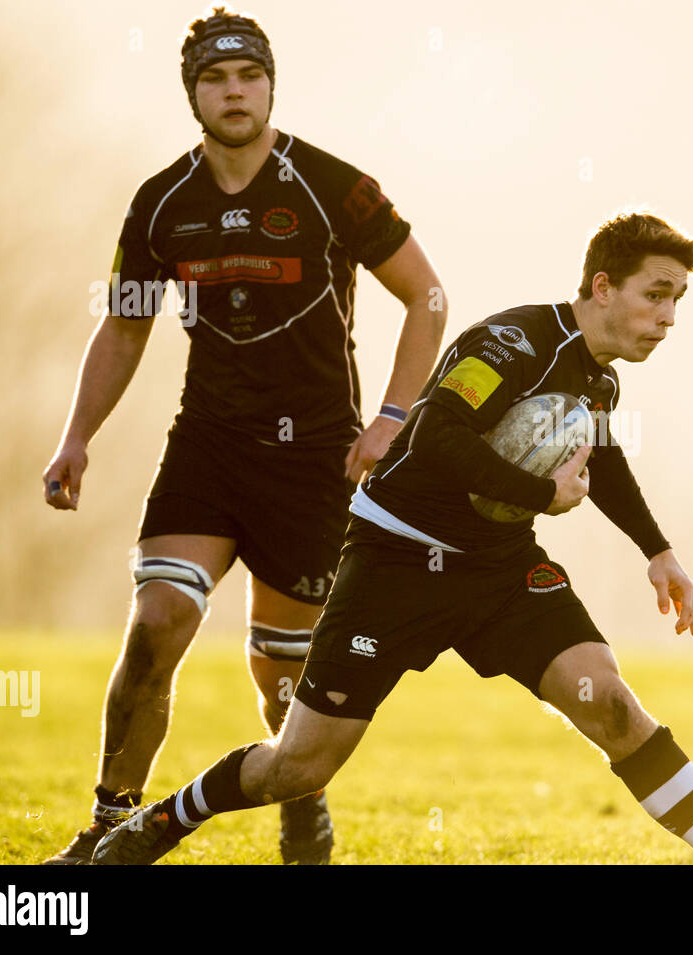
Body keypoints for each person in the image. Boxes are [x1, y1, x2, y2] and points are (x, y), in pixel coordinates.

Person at [93, 212, 693, 865]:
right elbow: (437, 432)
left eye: (678, 300)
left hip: (500, 569)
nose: (668, 316)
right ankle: (164, 819)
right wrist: (540, 494)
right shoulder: (512, 342)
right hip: (397, 559)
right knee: (296, 767)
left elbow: (601, 457)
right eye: (656, 294)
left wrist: (657, 551)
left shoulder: (599, 379)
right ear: (605, 287)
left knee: (611, 702)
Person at [41, 6, 446, 864]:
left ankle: (301, 794)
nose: (234, 92)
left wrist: (392, 419)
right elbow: (124, 329)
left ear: (270, 85)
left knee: (285, 682)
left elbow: (428, 297)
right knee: (156, 624)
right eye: (215, 79)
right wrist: (75, 437)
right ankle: (111, 821)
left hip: (316, 460)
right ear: (192, 93)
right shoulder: (161, 203)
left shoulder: (333, 186)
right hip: (209, 448)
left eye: (248, 76)